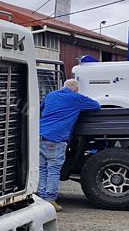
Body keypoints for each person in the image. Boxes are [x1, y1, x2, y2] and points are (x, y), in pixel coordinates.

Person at [38, 78, 100, 211]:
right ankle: (50, 200)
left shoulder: (51, 95)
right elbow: (96, 106)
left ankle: (41, 198)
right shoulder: (76, 98)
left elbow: (41, 108)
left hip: (40, 135)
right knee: (53, 170)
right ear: (76, 89)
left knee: (42, 168)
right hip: (56, 138)